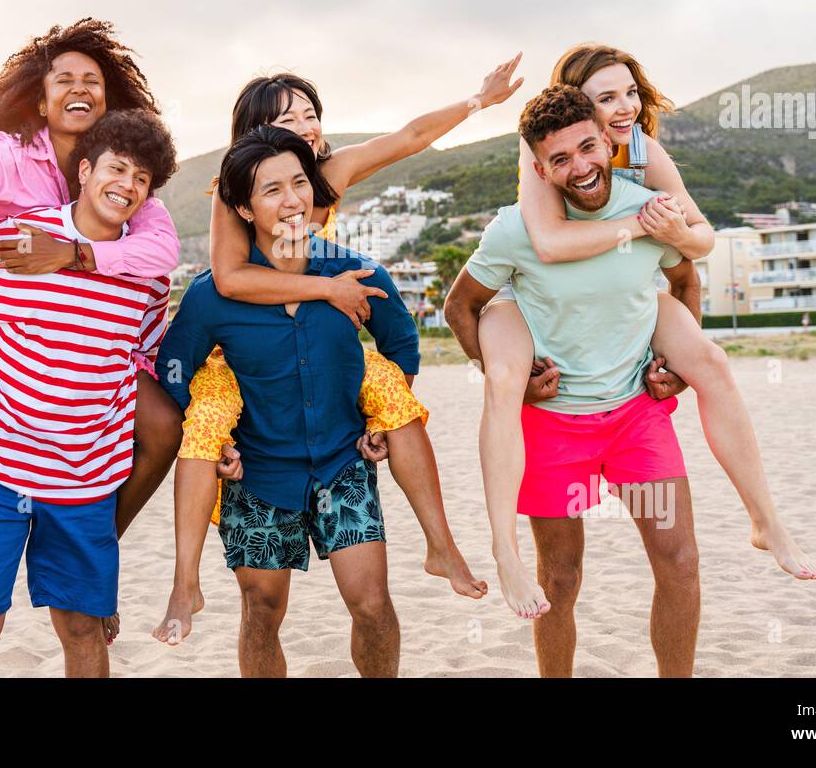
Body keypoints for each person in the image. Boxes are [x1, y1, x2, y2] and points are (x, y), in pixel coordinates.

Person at [149, 58, 521, 643]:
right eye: (288, 120)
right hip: (244, 354)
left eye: (312, 116)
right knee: (208, 421)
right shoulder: (232, 194)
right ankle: (184, 581)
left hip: (327, 351)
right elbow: (229, 282)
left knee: (390, 394)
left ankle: (441, 545)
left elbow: (410, 138)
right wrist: (328, 288)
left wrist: (479, 100)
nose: (308, 129)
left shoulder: (330, 173)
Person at [0, 19, 220, 651]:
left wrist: (73, 257)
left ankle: (88, 558)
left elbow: (157, 254)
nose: (79, 89)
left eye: (93, 81)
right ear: (40, 96)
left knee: (160, 427)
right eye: (64, 80)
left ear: (111, 96)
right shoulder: (9, 150)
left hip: (82, 320)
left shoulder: (124, 168)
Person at [475, 44, 816, 619]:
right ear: (573, 105)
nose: (626, 106)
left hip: (628, 287)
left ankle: (766, 522)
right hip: (547, 295)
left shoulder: (641, 150)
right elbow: (552, 244)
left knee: (710, 362)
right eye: (606, 97)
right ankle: (502, 549)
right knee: (504, 388)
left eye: (631, 91)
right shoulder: (545, 152)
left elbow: (700, 242)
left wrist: (674, 234)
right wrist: (640, 225)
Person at [444, 84, 702, 676]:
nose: (580, 167)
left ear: (607, 143)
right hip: (555, 428)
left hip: (636, 419)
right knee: (559, 578)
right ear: (540, 168)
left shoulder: (649, 209)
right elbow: (461, 307)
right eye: (560, 159)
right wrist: (503, 371)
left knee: (680, 562)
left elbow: (685, 279)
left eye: (589, 148)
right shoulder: (516, 231)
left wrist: (679, 367)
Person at [156, 126, 420, 677]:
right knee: (261, 610)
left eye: (299, 182)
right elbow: (174, 367)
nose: (292, 199)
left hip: (341, 464)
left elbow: (400, 343)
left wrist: (380, 418)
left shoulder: (352, 269)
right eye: (271, 190)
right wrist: (219, 438)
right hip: (256, 477)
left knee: (372, 605)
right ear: (244, 209)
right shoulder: (213, 293)